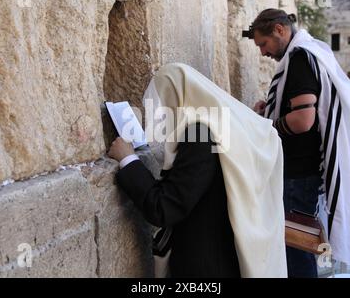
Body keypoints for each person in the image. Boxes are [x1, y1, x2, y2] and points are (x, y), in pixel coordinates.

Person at [108, 63, 287, 278]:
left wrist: (128, 158)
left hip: (207, 265)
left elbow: (164, 207)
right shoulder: (228, 124)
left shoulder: (200, 135)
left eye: (164, 105)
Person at [248, 9, 350, 277]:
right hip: (304, 174)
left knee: (296, 253)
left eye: (263, 44)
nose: (263, 53)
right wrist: (271, 109)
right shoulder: (308, 53)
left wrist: (266, 126)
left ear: (280, 30)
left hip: (297, 176)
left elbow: (303, 120)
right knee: (300, 248)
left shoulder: (299, 59)